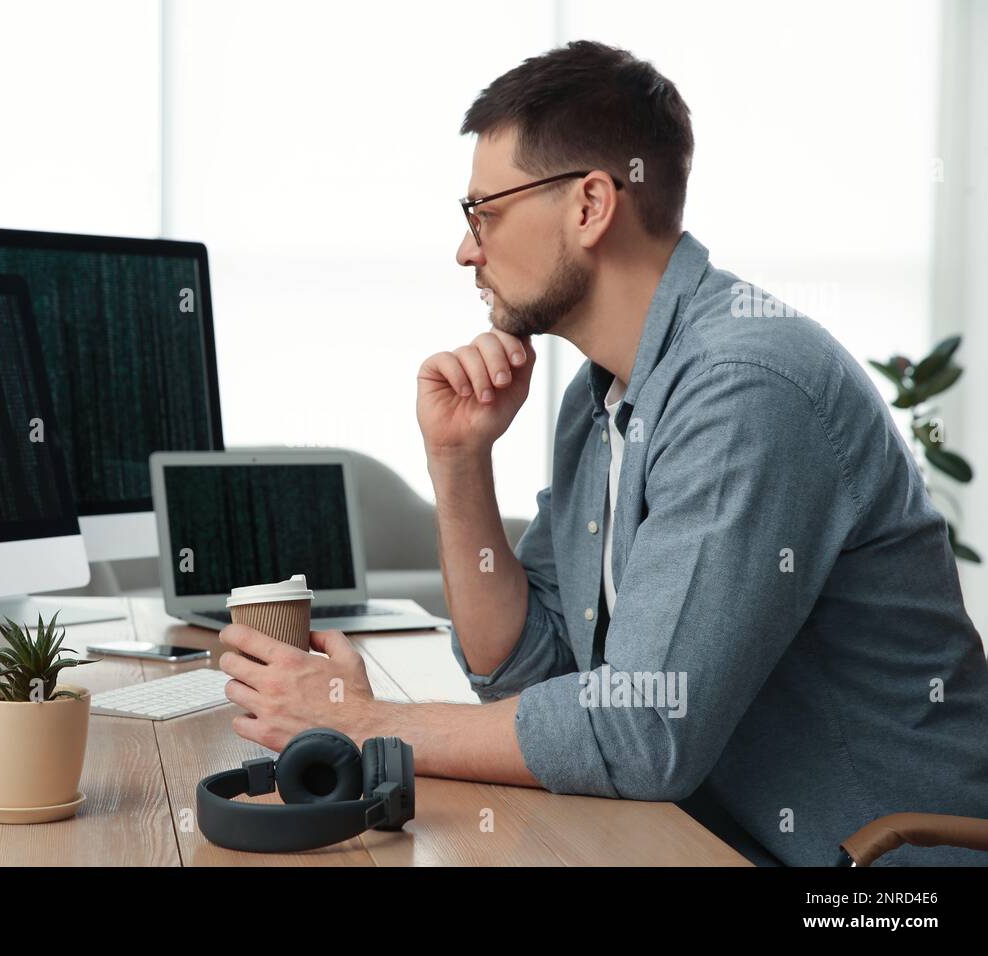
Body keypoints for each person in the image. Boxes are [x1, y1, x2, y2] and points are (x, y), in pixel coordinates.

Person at [218, 40, 988, 866]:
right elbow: (525, 673)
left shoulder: (746, 387)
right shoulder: (603, 397)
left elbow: (641, 732)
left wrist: (367, 724)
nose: (467, 249)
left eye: (485, 212)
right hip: (699, 831)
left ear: (589, 205)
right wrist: (458, 460)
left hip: (881, 866)